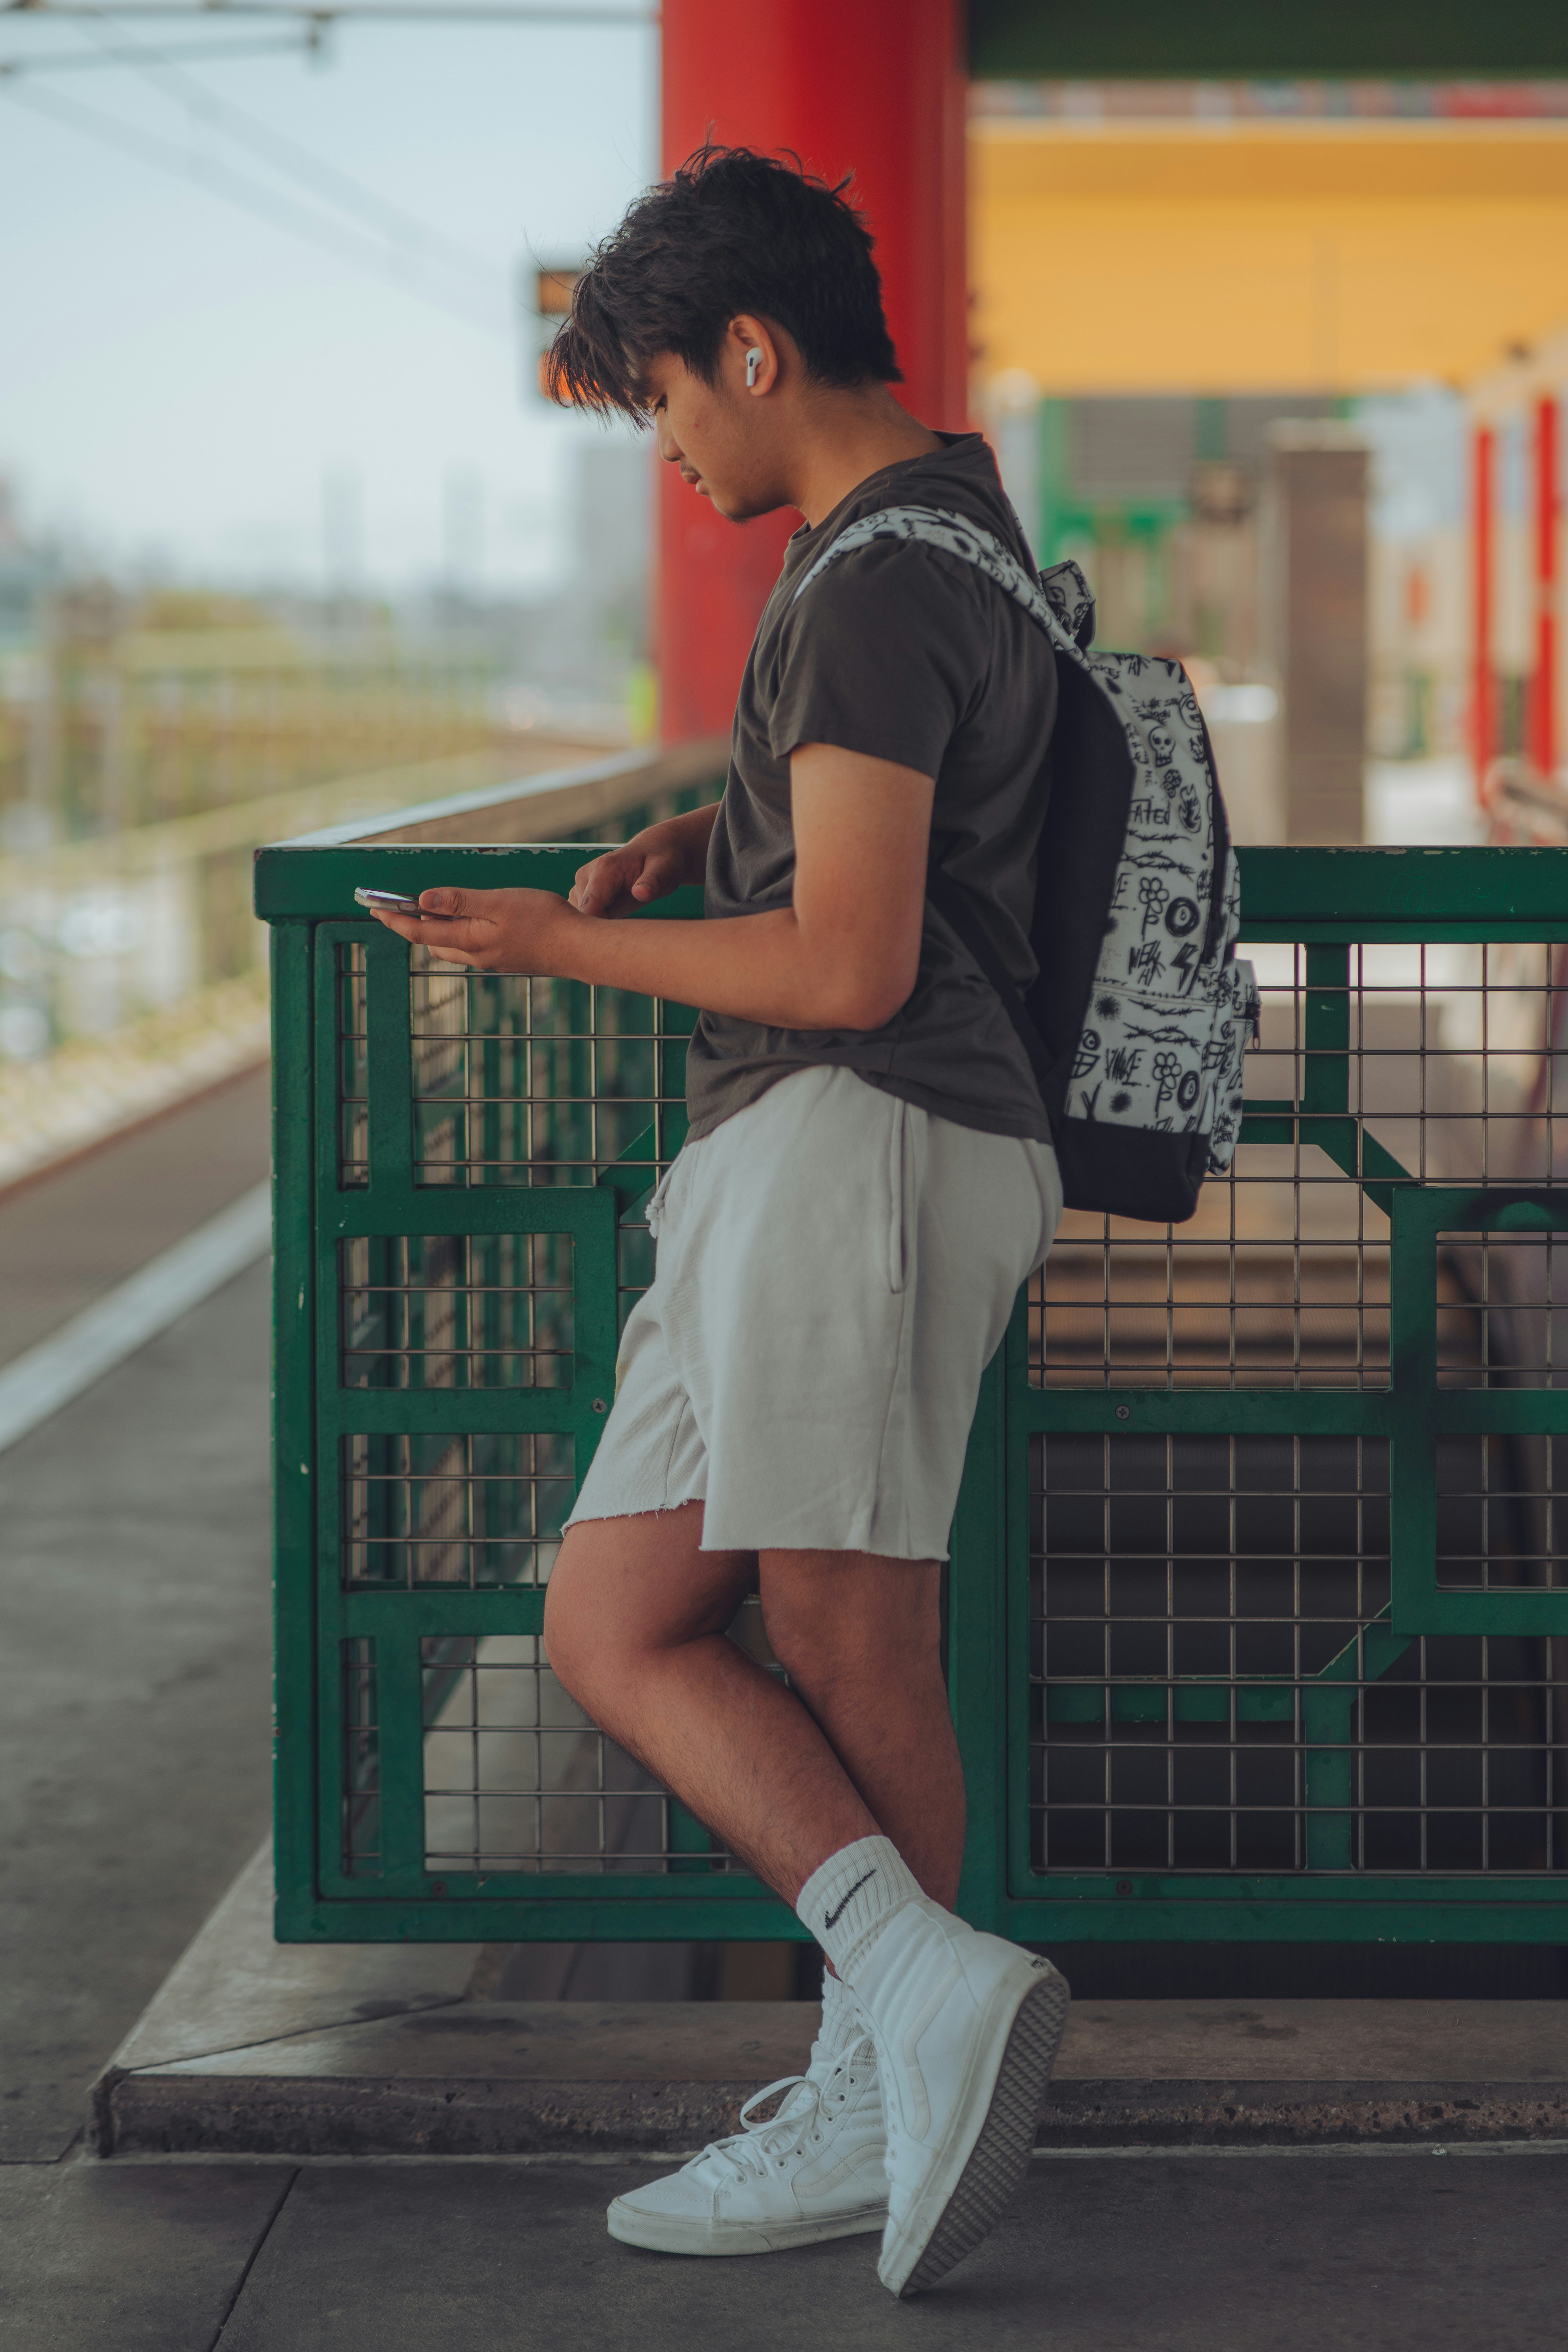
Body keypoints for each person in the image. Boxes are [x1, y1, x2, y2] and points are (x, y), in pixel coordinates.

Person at [370, 144, 1068, 2299]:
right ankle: (914, 2009)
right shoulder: (956, 527)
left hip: (858, 1130)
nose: (665, 447)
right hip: (817, 1152)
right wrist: (733, 815)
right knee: (612, 1622)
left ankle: (883, 2085)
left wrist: (551, 947)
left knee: (849, 1632)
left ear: (753, 352)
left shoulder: (866, 582)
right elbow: (913, 833)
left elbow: (856, 966)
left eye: (665, 397)